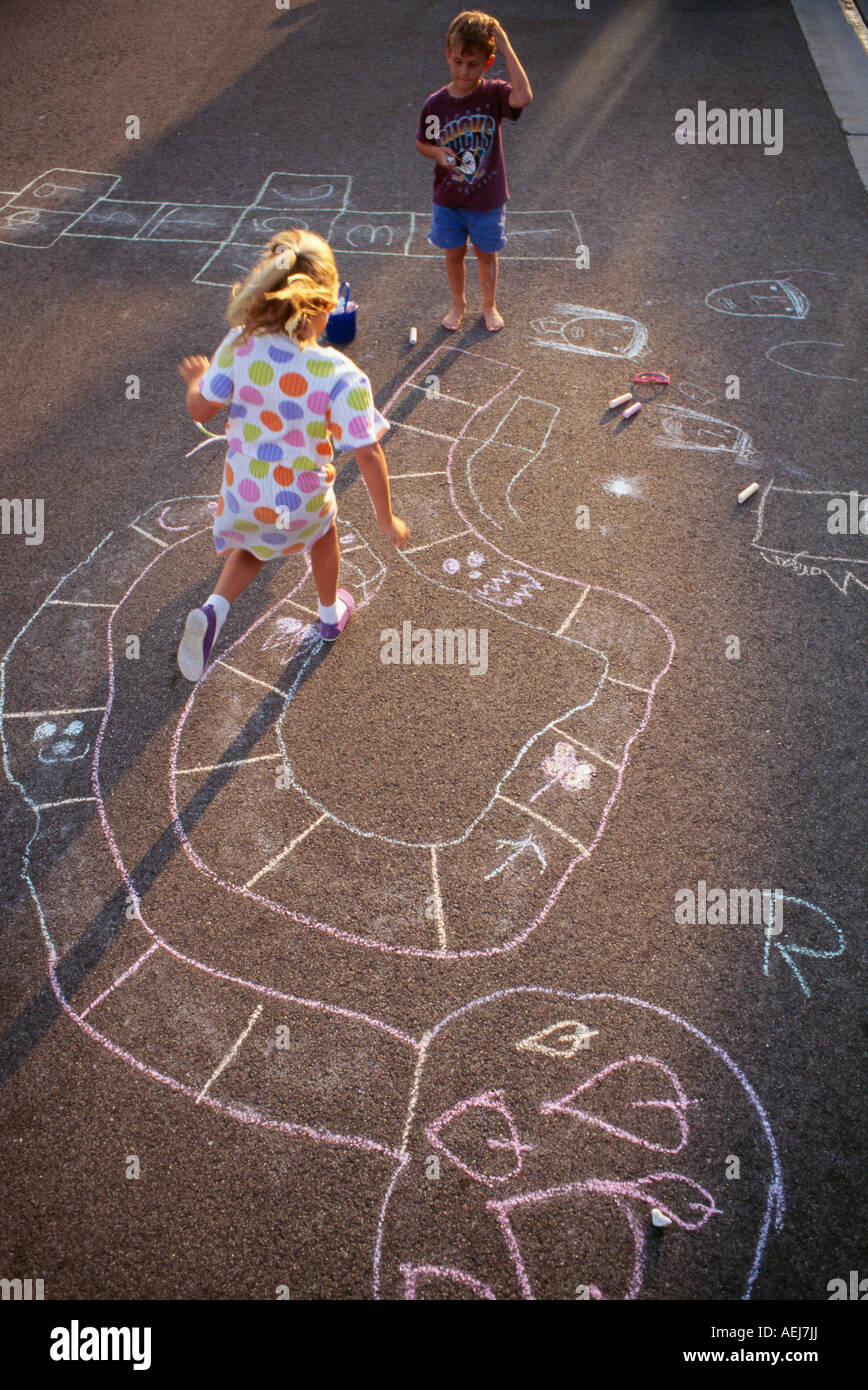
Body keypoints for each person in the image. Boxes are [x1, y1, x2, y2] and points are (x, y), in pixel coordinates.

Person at [176, 228, 409, 680]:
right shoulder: (338, 373)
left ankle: (214, 609)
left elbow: (200, 409)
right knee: (324, 537)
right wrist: (386, 518)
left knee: (252, 547)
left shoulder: (240, 343)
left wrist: (196, 379)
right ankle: (327, 616)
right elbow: (367, 450)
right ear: (322, 307)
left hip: (244, 490)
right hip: (301, 495)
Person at [415, 10, 532, 333]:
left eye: (473, 64)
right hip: (449, 198)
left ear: (488, 62)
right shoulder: (435, 104)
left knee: (486, 254)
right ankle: (458, 304)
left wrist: (506, 45)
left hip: (487, 198)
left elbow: (523, 97)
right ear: (448, 56)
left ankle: (488, 304)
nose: (464, 71)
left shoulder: (493, 94)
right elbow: (422, 143)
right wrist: (438, 152)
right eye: (457, 62)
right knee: (453, 253)